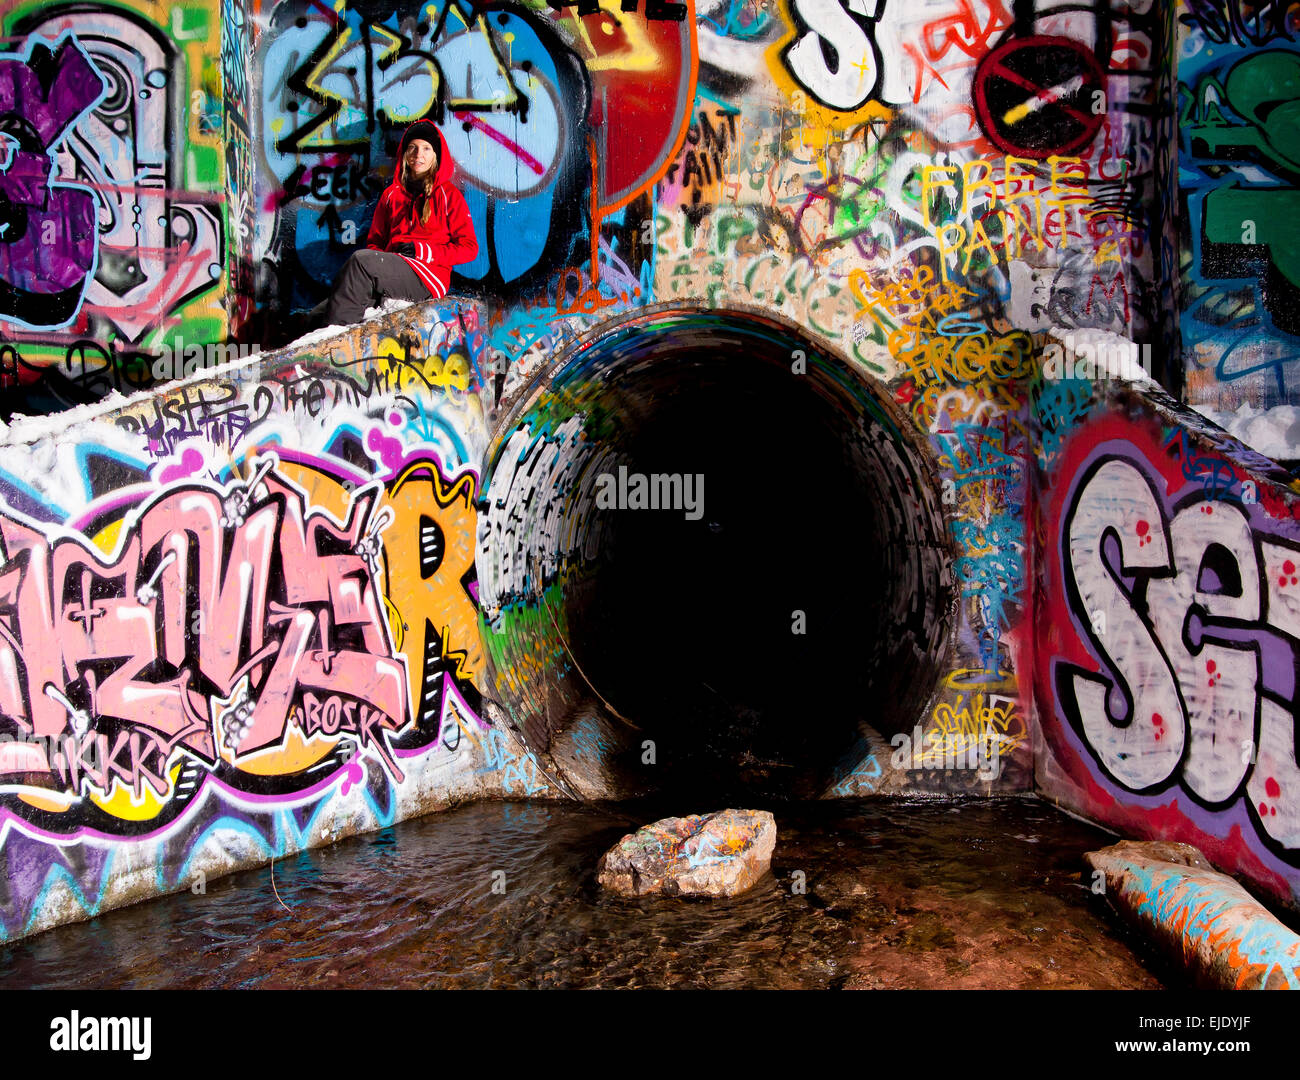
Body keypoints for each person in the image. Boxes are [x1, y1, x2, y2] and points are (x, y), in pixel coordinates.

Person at [313, 120, 478, 327]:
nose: (419, 155)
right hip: (391, 273)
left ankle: (336, 350)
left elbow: (469, 249)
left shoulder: (448, 195)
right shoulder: (391, 195)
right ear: (405, 153)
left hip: (427, 276)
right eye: (413, 148)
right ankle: (295, 354)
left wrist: (423, 251)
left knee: (360, 262)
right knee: (320, 312)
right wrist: (384, 264)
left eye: (426, 149)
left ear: (436, 155)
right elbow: (375, 242)